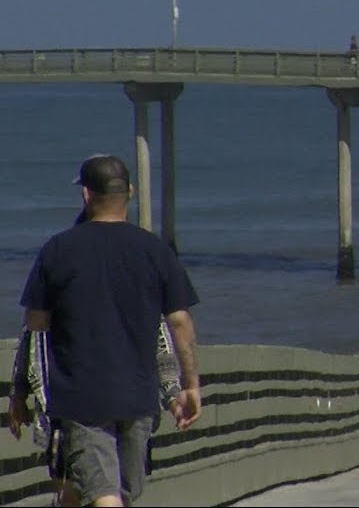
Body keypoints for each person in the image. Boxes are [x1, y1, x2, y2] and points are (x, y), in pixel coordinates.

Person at [17, 154, 202, 507]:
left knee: (102, 493)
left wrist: (21, 391)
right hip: (138, 398)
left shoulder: (59, 249)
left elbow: (35, 328)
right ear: (130, 192)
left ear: (85, 194)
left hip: (80, 398)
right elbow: (179, 322)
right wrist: (190, 384)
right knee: (106, 492)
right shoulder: (155, 250)